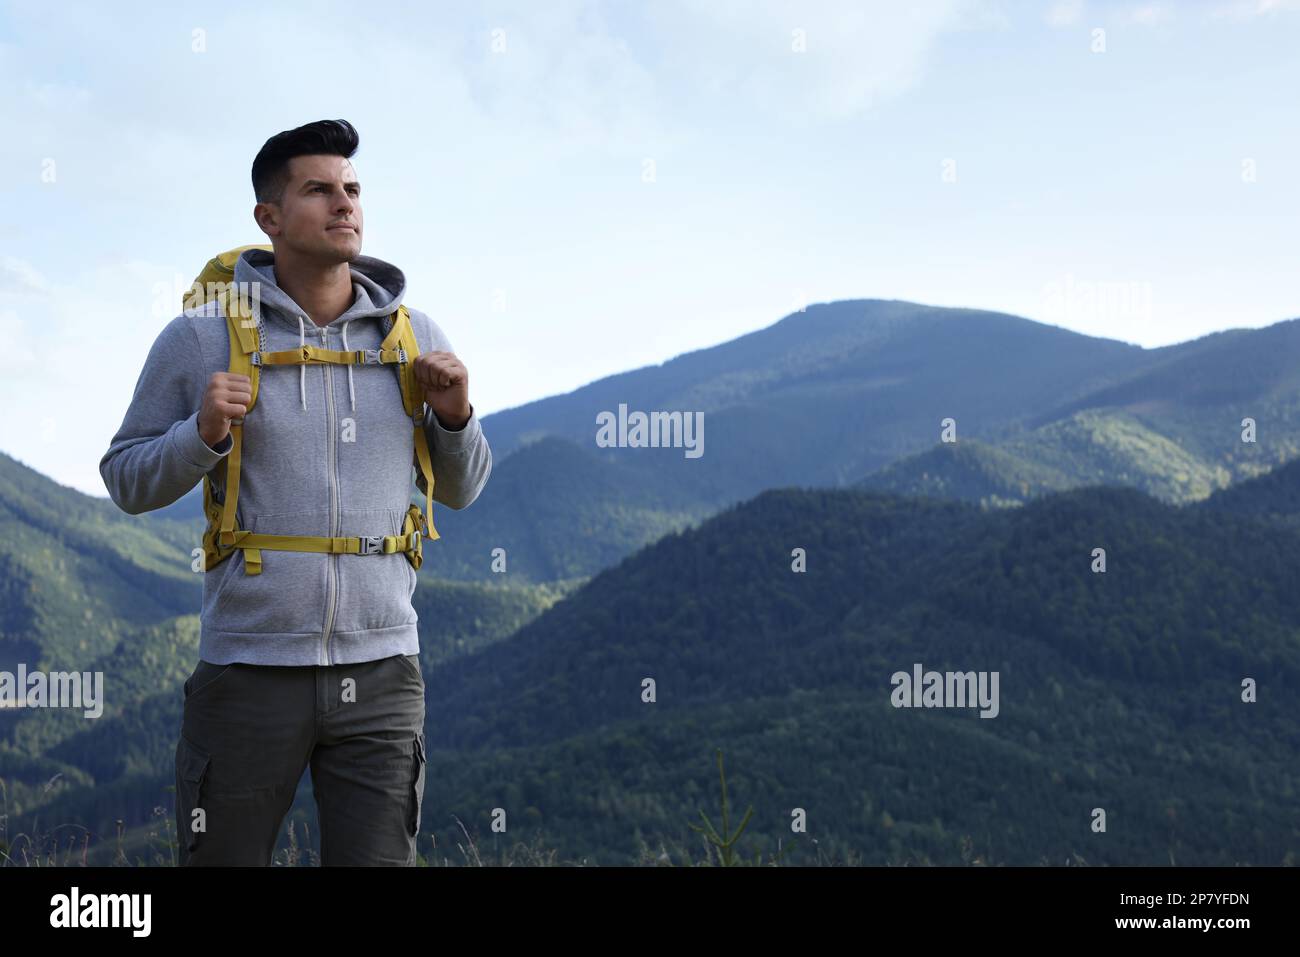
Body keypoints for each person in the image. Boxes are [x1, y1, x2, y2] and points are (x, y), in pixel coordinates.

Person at [99, 118, 492, 865]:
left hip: (383, 673)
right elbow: (125, 477)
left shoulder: (412, 336)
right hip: (249, 671)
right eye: (319, 190)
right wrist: (201, 434)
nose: (345, 204)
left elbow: (466, 489)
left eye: (351, 189)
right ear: (269, 218)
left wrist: (455, 417)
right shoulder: (201, 337)